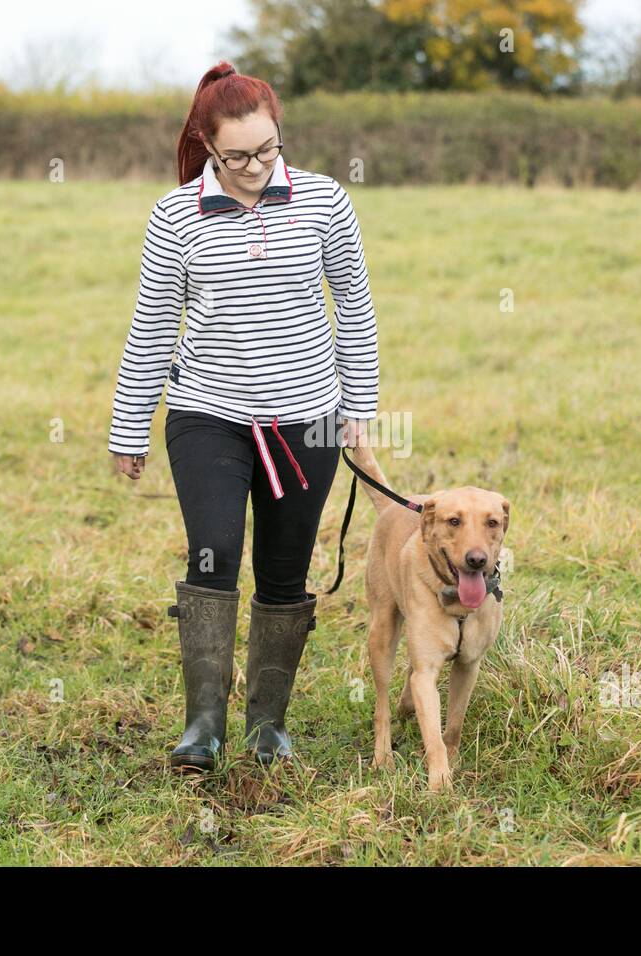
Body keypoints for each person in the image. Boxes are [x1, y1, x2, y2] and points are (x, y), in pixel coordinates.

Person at [107, 61, 379, 771]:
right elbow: (151, 325)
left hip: (306, 421)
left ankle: (268, 727)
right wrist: (128, 428)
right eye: (238, 156)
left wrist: (360, 409)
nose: (256, 165)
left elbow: (354, 304)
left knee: (285, 572)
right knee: (214, 553)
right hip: (209, 413)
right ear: (208, 144)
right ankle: (203, 724)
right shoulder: (176, 216)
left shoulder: (324, 201)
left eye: (268, 149)